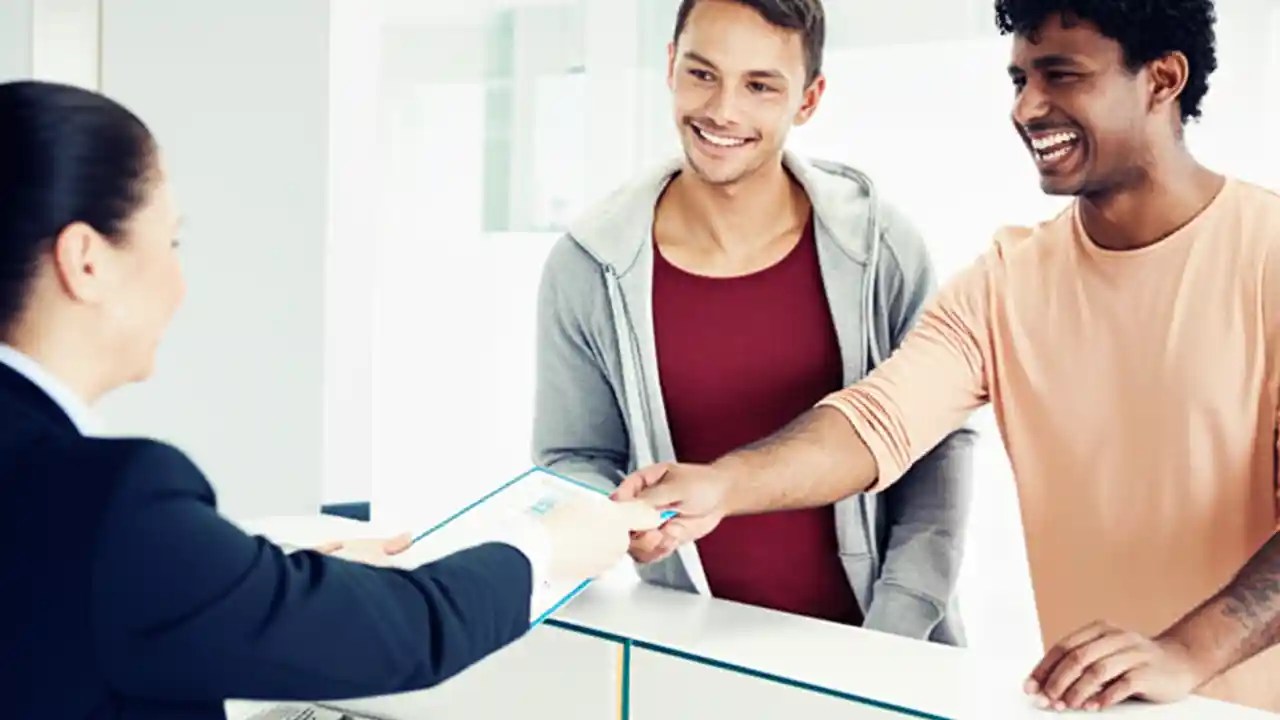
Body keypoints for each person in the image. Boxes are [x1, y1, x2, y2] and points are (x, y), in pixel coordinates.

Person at [616, 0, 1280, 713]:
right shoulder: (1008, 281)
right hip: (1094, 707)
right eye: (1020, 79)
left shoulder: (1266, 255)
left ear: (1163, 79)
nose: (1029, 108)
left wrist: (1183, 653)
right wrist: (723, 486)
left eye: (1061, 76)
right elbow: (877, 421)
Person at [0, 80, 658, 720]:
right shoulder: (109, 499)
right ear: (86, 261)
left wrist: (265, 584)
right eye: (170, 242)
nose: (179, 282)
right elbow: (409, 632)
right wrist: (544, 546)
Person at [533, 0, 974, 645]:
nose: (723, 111)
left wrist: (895, 631)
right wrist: (617, 519)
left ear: (809, 98)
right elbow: (574, 456)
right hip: (695, 644)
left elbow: (936, 442)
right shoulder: (589, 265)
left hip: (885, 648)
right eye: (702, 74)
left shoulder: (881, 247)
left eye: (760, 85)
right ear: (669, 67)